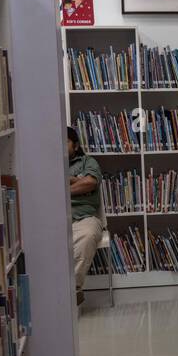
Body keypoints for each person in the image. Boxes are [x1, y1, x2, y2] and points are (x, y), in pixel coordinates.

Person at [68, 127, 104, 307]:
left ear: (75, 145)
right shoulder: (48, 164)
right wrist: (75, 180)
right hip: (56, 219)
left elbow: (90, 182)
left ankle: (71, 289)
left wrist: (63, 186)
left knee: (87, 237)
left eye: (65, 142)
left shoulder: (88, 162)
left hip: (84, 217)